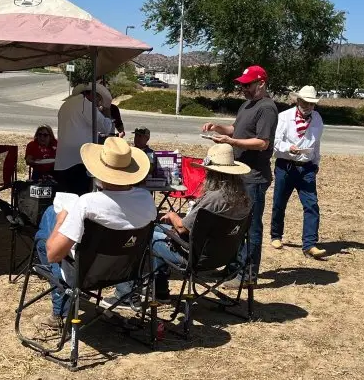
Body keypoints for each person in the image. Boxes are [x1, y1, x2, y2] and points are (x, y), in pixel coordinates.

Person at [37, 136, 154, 328]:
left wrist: (61, 220)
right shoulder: (146, 199)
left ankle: (59, 311)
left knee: (46, 229)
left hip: (85, 272)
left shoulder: (88, 203)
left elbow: (53, 254)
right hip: (123, 270)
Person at [117, 142, 252, 301]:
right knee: (159, 228)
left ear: (213, 173)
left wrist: (173, 215)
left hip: (195, 256)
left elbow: (182, 228)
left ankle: (141, 291)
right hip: (225, 254)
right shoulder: (244, 197)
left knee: (149, 236)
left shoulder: (213, 198)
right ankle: (159, 289)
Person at [201, 65, 278, 284]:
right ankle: (233, 267)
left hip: (254, 177)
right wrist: (217, 128)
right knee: (233, 224)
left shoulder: (267, 108)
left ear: (261, 83)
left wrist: (232, 143)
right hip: (238, 174)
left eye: (247, 84)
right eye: (242, 85)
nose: (242, 88)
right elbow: (236, 129)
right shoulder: (247, 105)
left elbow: (262, 143)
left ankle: (248, 274)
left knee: (251, 226)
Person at [270, 85, 327, 259]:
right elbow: (275, 142)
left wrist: (316, 163)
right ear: (298, 101)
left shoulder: (317, 119)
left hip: (307, 167)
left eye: (312, 103)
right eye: (305, 102)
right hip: (285, 166)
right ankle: (276, 235)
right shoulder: (284, 117)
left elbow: (316, 144)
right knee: (280, 202)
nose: (308, 106)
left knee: (311, 205)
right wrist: (289, 148)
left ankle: (309, 244)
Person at [54, 82, 112, 195]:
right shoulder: (86, 105)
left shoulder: (66, 104)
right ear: (92, 95)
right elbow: (106, 127)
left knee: (66, 198)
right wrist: (107, 111)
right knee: (79, 197)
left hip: (63, 160)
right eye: (98, 99)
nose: (98, 103)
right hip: (78, 161)